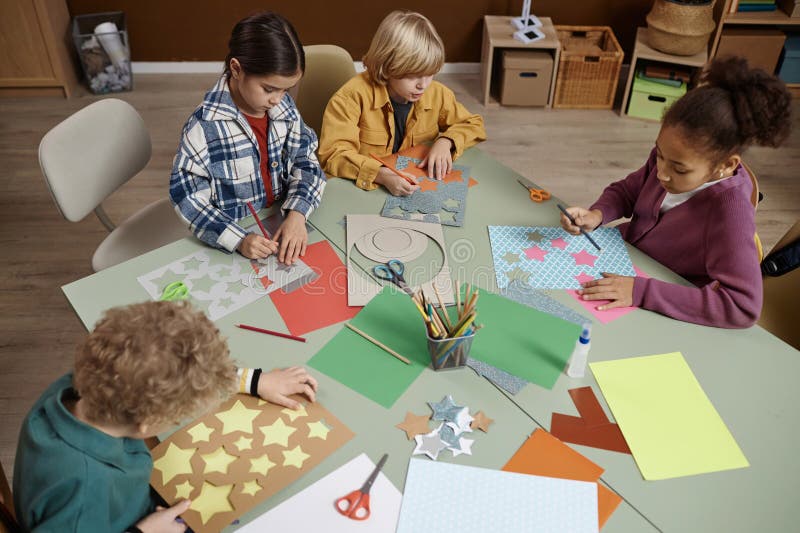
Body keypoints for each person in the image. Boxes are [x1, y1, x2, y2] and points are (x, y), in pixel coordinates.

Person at [13, 301, 318, 532]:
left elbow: (166, 364)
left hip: (130, 498)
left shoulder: (89, 382)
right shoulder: (83, 492)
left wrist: (254, 381)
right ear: (146, 425)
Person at [560, 57, 792, 329]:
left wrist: (641, 291)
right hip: (621, 260)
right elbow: (628, 190)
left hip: (665, 298)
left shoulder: (731, 213)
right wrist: (597, 214)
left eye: (680, 169)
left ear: (727, 165)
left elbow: (742, 307)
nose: (662, 173)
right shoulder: (670, 157)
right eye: (659, 155)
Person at [170, 12, 325, 265]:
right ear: (236, 69)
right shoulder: (203, 127)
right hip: (235, 233)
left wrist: (298, 214)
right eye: (269, 89)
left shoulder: (283, 107)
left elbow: (305, 159)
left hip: (281, 217)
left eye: (286, 89)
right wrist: (238, 239)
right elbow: (187, 197)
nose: (278, 99)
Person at [318, 10, 486, 196]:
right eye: (413, 75)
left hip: (411, 189)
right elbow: (333, 155)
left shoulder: (437, 94)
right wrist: (380, 175)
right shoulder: (350, 97)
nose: (423, 85)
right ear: (387, 66)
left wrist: (446, 141)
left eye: (430, 73)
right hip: (363, 190)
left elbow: (473, 124)